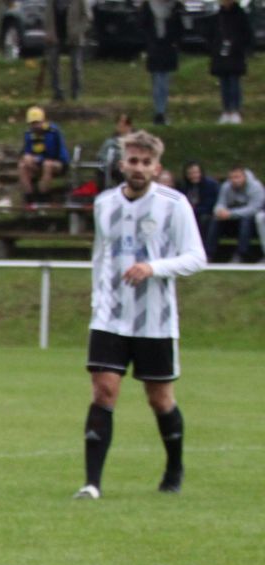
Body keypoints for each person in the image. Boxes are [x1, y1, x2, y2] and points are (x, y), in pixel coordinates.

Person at [74, 131, 204, 499]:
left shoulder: (174, 204)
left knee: (159, 398)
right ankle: (91, 483)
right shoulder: (104, 204)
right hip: (110, 317)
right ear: (122, 164)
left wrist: (154, 267)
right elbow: (101, 255)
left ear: (156, 167)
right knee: (104, 391)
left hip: (156, 320)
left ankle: (174, 468)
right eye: (133, 161)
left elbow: (196, 257)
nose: (139, 168)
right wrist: (98, 299)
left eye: (146, 163)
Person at [209, 0, 252, 123]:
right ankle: (226, 110)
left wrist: (238, 46)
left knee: (234, 84)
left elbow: (246, 35)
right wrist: (215, 47)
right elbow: (212, 34)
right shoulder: (218, 16)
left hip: (235, 56)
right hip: (221, 56)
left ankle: (235, 110)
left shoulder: (240, 15)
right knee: (224, 85)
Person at [141, 0, 181, 124]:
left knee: (163, 80)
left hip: (168, 47)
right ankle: (159, 111)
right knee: (157, 80)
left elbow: (179, 28)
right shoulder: (147, 6)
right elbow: (143, 26)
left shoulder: (175, 7)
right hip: (154, 47)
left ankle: (161, 111)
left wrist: (174, 41)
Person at [211, 165, 262, 260]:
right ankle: (209, 254)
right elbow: (220, 203)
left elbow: (254, 209)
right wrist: (219, 211)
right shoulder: (226, 186)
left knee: (246, 220)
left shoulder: (256, 187)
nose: (234, 180)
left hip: (252, 222)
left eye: (237, 177)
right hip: (231, 219)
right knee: (216, 219)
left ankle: (240, 254)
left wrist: (230, 213)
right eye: (231, 178)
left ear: (245, 177)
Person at [18, 106, 68, 202]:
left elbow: (51, 154)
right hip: (39, 161)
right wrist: (27, 158)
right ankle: (29, 196)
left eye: (37, 123)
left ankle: (43, 195)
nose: (35, 126)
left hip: (57, 162)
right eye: (33, 123)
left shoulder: (52, 132)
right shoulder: (29, 134)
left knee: (47, 164)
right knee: (22, 165)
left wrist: (36, 159)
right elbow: (27, 151)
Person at [45, 0, 88, 101]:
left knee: (76, 66)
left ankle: (76, 93)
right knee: (53, 65)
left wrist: (77, 32)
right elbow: (48, 17)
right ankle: (57, 93)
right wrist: (49, 32)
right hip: (56, 37)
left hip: (74, 39)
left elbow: (87, 18)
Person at [178, 160, 219, 249]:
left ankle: (206, 250)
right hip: (187, 212)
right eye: (190, 173)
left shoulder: (210, 185)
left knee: (204, 219)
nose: (193, 176)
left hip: (204, 213)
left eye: (196, 172)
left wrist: (192, 210)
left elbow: (209, 205)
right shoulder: (184, 186)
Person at [97, 112, 136, 186]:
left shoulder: (137, 140)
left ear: (129, 126)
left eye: (124, 124)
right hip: (113, 167)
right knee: (102, 173)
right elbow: (101, 155)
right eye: (119, 124)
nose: (120, 126)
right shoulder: (110, 141)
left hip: (130, 166)